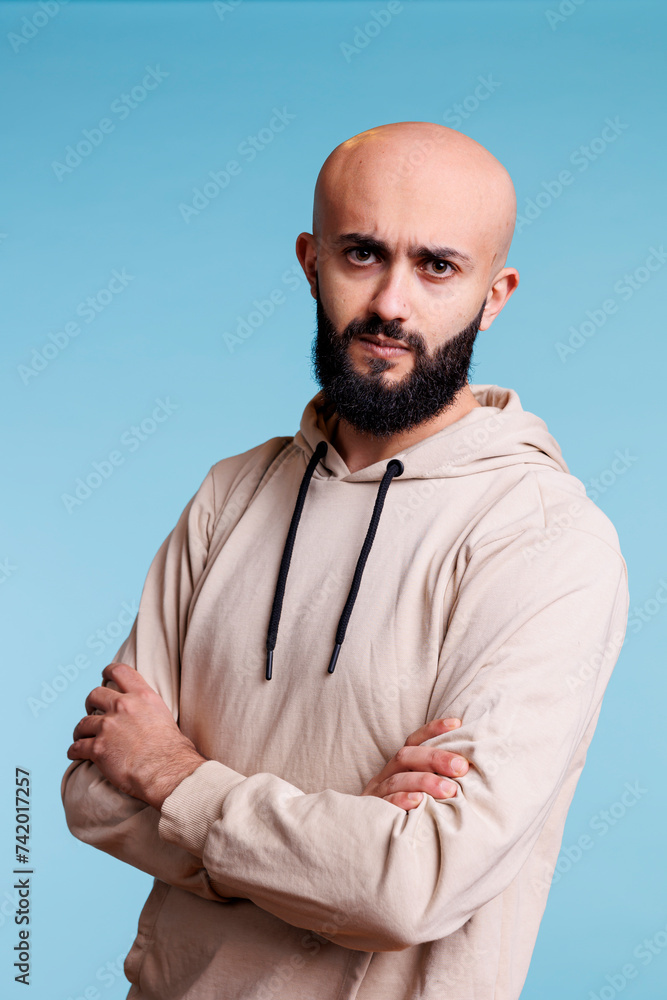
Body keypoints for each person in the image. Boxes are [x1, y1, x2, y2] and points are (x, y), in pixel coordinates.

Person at [61, 121, 629, 1000]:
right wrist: (331, 853)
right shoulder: (230, 495)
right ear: (309, 261)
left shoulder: (545, 538)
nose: (392, 304)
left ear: (494, 293)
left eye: (438, 266)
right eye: (361, 254)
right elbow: (94, 795)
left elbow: (411, 887)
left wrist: (174, 774)